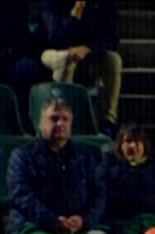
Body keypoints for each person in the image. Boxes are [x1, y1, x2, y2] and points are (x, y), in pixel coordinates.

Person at [7, 96, 106, 234]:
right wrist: (53, 221)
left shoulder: (85, 156)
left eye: (65, 119)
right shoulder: (22, 156)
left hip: (79, 229)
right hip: (37, 228)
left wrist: (84, 220)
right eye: (54, 119)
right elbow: (21, 196)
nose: (60, 124)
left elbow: (99, 195)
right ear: (41, 123)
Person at [39, 0, 122, 136]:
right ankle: (63, 117)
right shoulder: (52, 3)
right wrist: (76, 12)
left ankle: (108, 120)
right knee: (67, 58)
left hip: (87, 53)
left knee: (113, 60)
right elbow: (56, 38)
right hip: (52, 52)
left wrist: (88, 49)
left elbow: (111, 38)